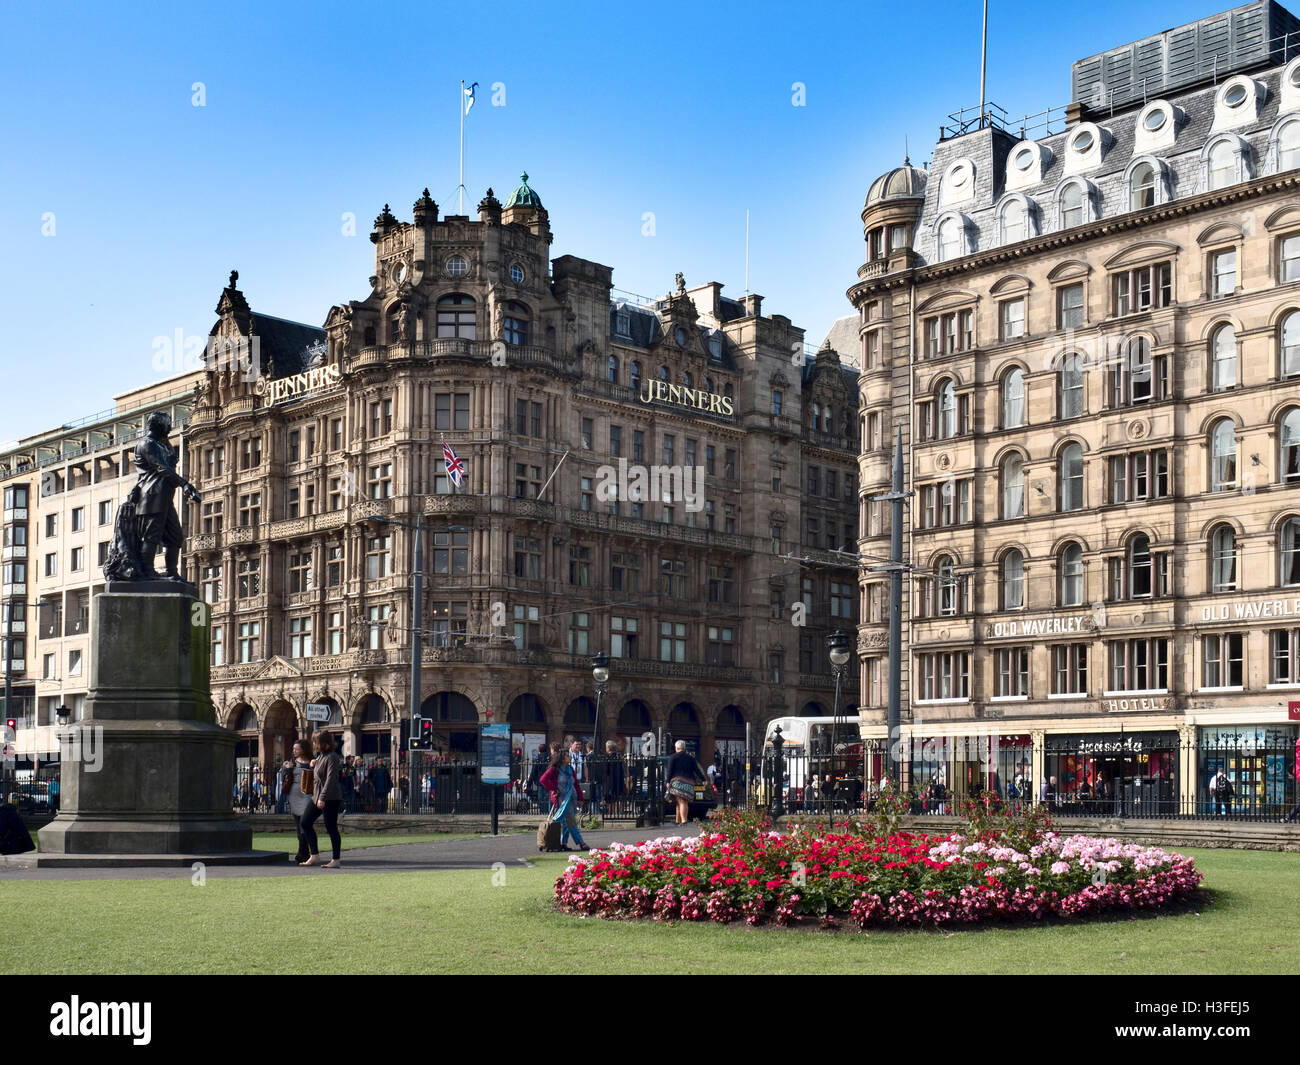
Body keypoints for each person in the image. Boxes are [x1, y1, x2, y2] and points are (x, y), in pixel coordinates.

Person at [300, 732, 343, 868]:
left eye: (315, 742)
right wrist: (313, 765)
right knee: (305, 822)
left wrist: (322, 798)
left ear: (324, 743)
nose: (314, 745)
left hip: (330, 797)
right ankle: (315, 855)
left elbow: (330, 780)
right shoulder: (321, 757)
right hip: (317, 796)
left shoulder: (332, 757)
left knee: (331, 827)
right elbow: (319, 775)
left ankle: (335, 860)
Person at [539, 748, 587, 851]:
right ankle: (581, 843)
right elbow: (543, 779)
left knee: (566, 823)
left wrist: (580, 798)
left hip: (571, 798)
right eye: (567, 756)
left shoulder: (570, 769)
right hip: (561, 799)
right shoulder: (554, 769)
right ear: (562, 758)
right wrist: (554, 788)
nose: (569, 757)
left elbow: (576, 785)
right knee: (571, 821)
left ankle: (563, 843)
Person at [283, 741, 313, 863]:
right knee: (298, 825)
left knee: (304, 824)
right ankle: (303, 852)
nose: (294, 751)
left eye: (297, 749)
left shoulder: (312, 761)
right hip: (294, 794)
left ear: (304, 749)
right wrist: (287, 769)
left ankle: (303, 852)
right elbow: (284, 777)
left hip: (307, 794)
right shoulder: (291, 762)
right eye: (293, 749)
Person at [665, 740, 705, 826]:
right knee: (681, 802)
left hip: (677, 781)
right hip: (689, 782)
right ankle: (677, 821)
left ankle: (684, 821)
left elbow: (669, 771)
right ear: (684, 748)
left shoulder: (673, 757)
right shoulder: (690, 758)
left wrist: (668, 781)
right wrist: (703, 779)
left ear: (676, 748)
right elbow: (696, 770)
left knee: (681, 801)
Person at [529, 744, 551, 814]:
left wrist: (529, 783)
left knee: (541, 798)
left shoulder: (538, 759)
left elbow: (533, 772)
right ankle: (548, 812)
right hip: (548, 782)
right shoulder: (550, 758)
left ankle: (542, 812)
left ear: (539, 750)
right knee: (547, 798)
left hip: (540, 782)